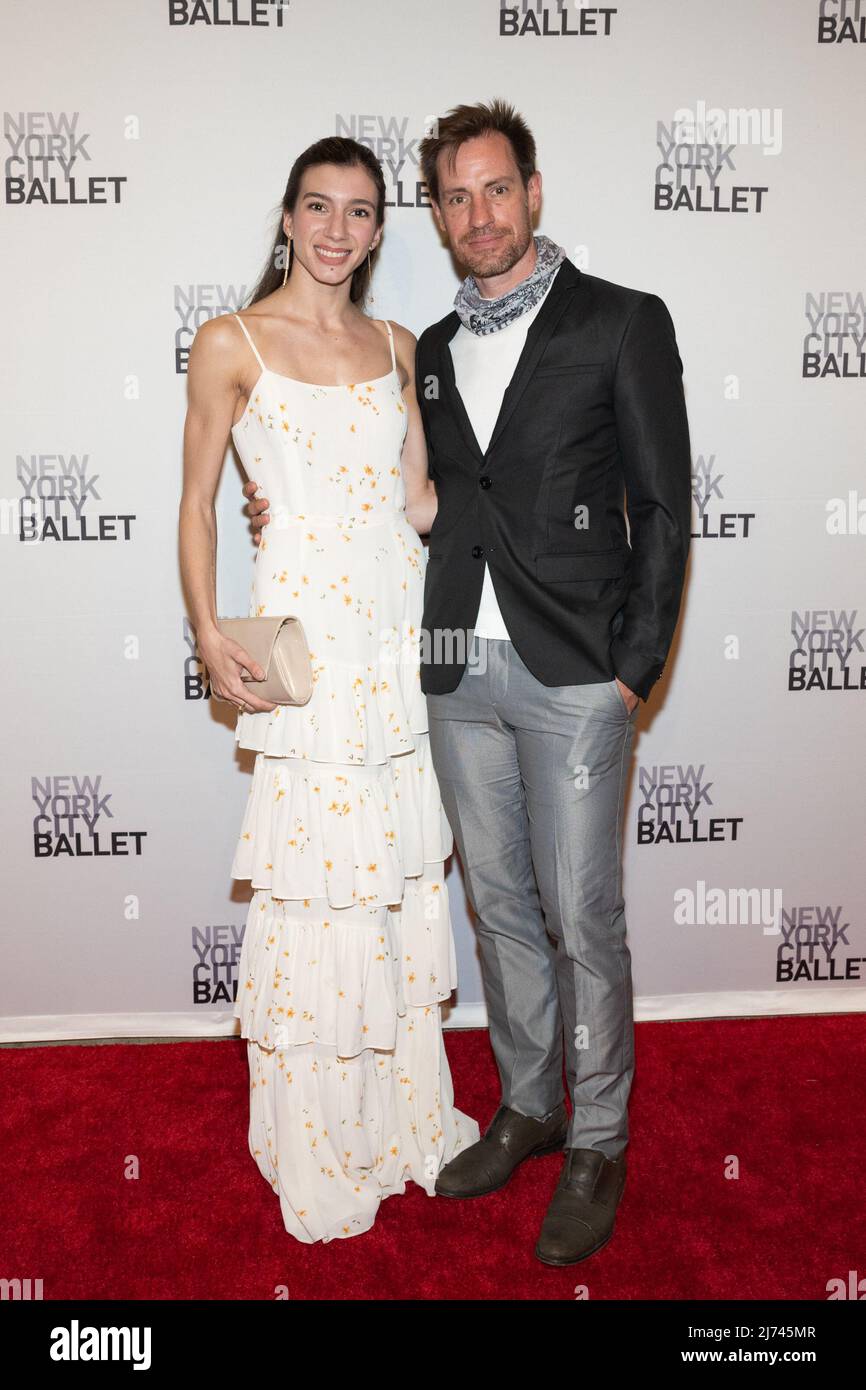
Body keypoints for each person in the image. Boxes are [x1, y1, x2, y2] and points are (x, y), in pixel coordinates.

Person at [245, 99, 692, 1266]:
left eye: (496, 189)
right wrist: (278, 505)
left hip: (575, 672)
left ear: (532, 193)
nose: (478, 213)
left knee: (579, 914)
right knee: (495, 909)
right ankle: (531, 1104)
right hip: (448, 665)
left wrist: (631, 668)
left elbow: (664, 506)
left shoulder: (621, 323)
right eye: (455, 196)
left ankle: (597, 1136)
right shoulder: (427, 351)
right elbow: (418, 499)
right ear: (435, 216)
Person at [179, 135, 479, 1245]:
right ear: (289, 215)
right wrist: (209, 630)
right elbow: (199, 499)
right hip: (309, 648)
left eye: (358, 211)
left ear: (378, 228)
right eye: (318, 206)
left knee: (394, 881)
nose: (337, 229)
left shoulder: (400, 345)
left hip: (395, 639)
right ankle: (315, 1131)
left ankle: (400, 1114)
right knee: (317, 888)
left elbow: (419, 503)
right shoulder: (230, 341)